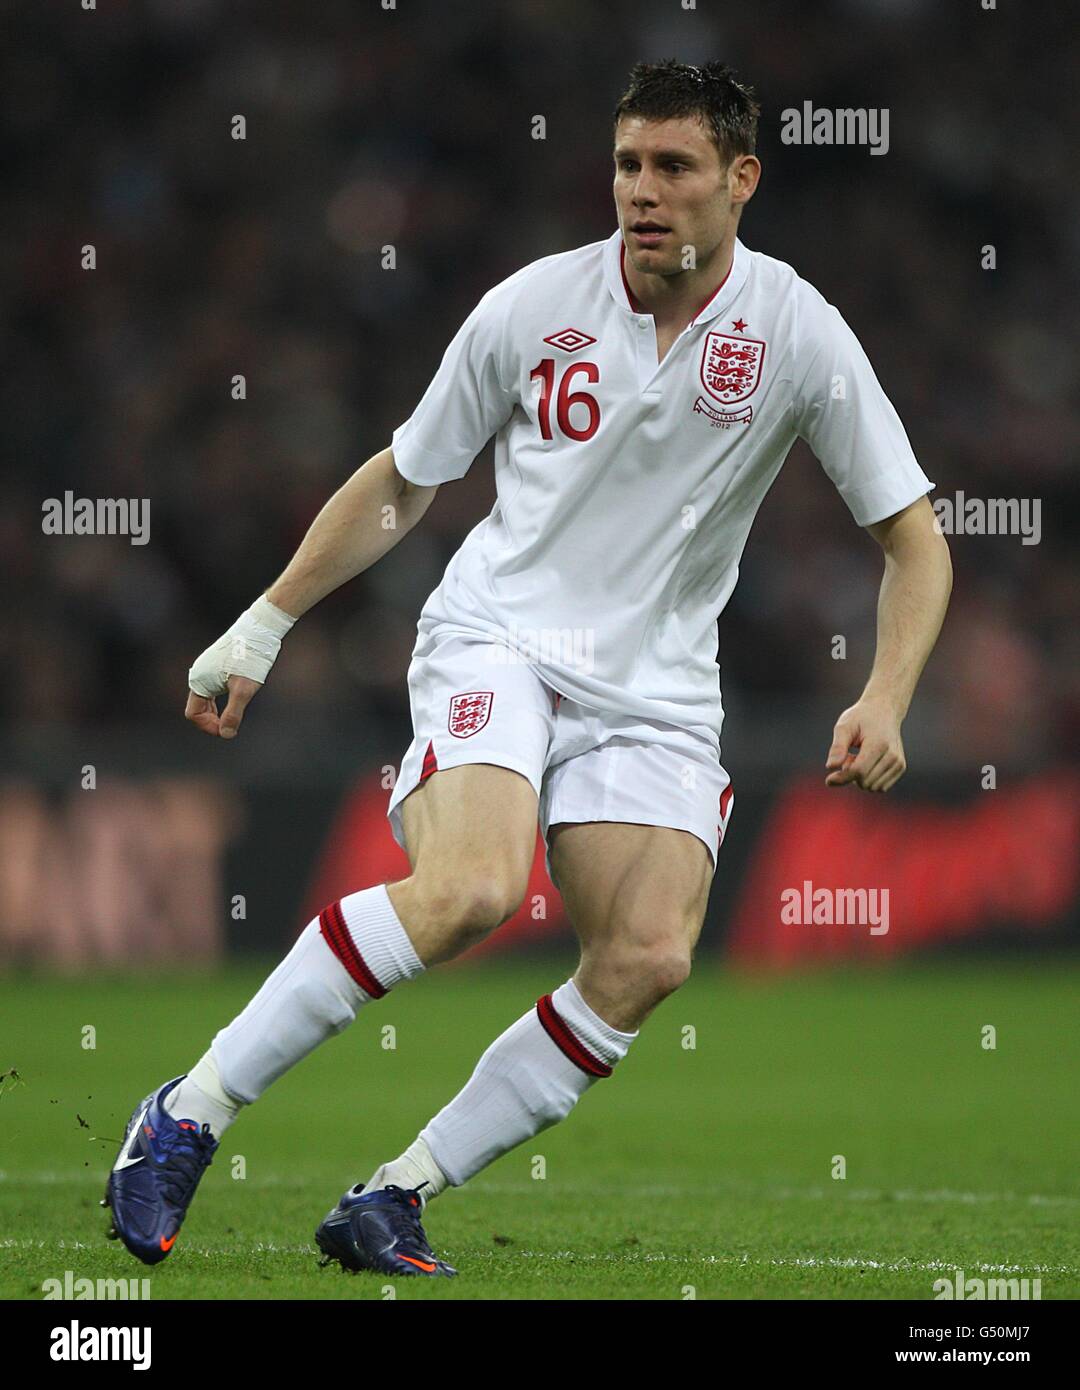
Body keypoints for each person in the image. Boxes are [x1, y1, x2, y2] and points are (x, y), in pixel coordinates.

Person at [104, 59, 952, 1276]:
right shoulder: (531, 309)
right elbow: (406, 480)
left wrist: (885, 692)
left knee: (649, 955)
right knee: (471, 890)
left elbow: (915, 541)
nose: (642, 192)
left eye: (674, 167)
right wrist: (269, 618)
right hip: (500, 636)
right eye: (626, 164)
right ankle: (185, 1115)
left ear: (741, 181)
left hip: (655, 685)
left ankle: (396, 1193)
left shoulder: (799, 334)